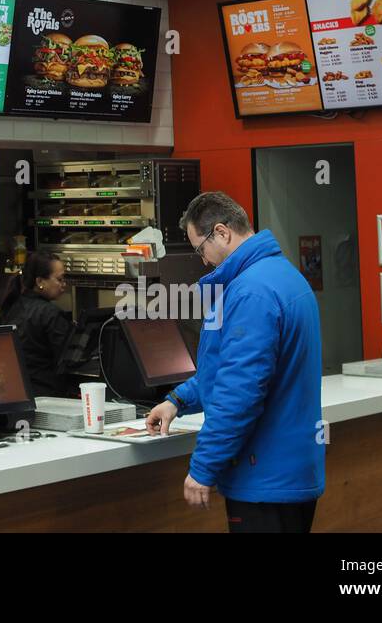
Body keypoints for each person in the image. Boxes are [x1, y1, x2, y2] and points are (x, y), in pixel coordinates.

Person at [146, 191, 325, 533]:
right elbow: (228, 370)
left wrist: (203, 467)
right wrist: (177, 401)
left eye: (201, 249)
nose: (203, 260)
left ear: (223, 233)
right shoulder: (283, 276)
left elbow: (239, 392)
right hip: (290, 472)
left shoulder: (251, 292)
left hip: (264, 477)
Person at [0, 251, 73, 397]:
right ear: (39, 282)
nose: (64, 285)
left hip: (15, 392)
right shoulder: (50, 313)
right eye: (59, 279)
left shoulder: (11, 306)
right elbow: (67, 357)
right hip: (46, 394)